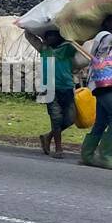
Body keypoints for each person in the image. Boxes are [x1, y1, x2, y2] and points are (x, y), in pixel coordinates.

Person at [79, 0, 112, 171]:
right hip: (104, 86)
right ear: (108, 22)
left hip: (109, 86)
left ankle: (87, 154)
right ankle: (105, 155)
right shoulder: (103, 37)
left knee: (102, 122)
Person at [36, 30, 79, 158]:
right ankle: (59, 149)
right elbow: (30, 36)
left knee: (71, 118)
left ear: (59, 37)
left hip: (66, 86)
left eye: (53, 36)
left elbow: (78, 42)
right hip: (49, 88)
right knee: (56, 118)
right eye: (47, 36)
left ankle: (48, 136)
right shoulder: (43, 48)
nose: (50, 38)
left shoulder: (67, 48)